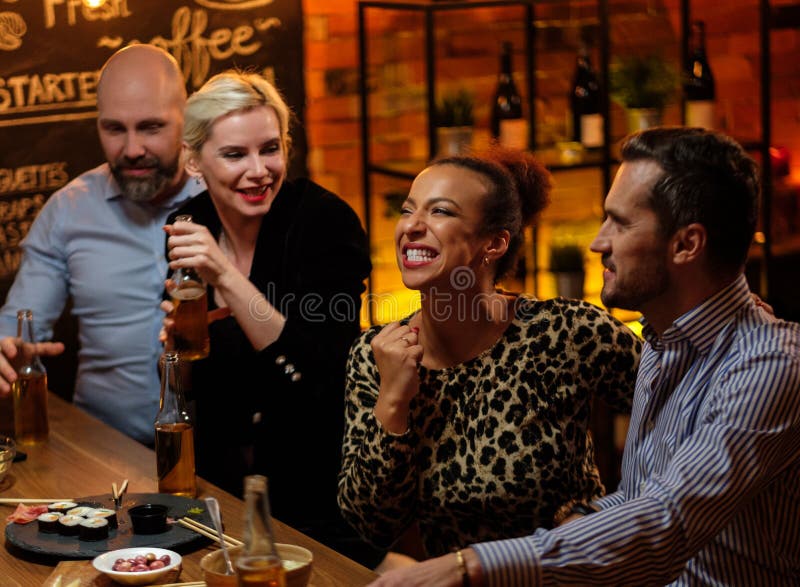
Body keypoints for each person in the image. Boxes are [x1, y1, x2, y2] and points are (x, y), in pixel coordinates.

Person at [367, 127, 800, 586]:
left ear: (686, 244)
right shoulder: (662, 341)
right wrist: (586, 514)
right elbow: (642, 498)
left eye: (620, 222)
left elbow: (667, 521)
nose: (598, 242)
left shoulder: (770, 364)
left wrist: (468, 567)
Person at [338, 147, 641, 562]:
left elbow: (680, 419)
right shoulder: (377, 353)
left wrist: (608, 516)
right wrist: (393, 400)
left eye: (440, 211)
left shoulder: (568, 333)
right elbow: (370, 524)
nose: (411, 226)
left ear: (494, 243)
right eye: (408, 210)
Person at [159, 70, 381, 566]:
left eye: (270, 148)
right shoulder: (188, 224)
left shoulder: (326, 223)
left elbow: (320, 376)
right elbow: (195, 383)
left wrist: (226, 277)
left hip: (322, 495)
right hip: (220, 489)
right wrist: (175, 353)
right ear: (195, 161)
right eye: (235, 154)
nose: (259, 170)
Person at [0, 44, 204, 444]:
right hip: (106, 450)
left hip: (220, 454)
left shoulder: (225, 197)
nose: (132, 150)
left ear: (188, 120)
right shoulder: (68, 211)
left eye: (151, 127)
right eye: (114, 129)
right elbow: (18, 324)